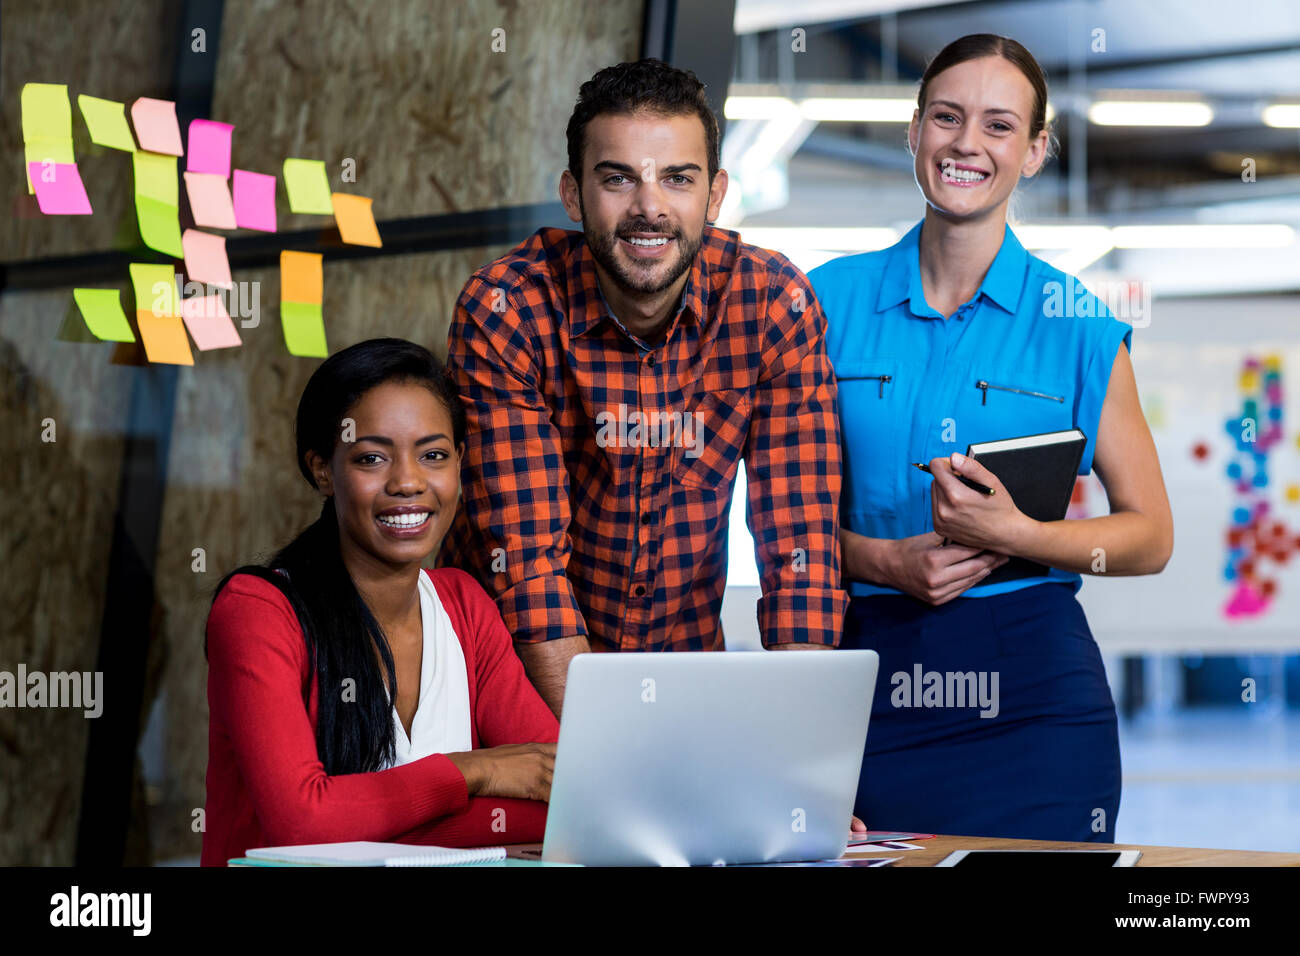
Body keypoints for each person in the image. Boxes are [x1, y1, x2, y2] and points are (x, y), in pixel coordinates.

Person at [809, 34, 1174, 842]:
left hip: (1035, 693)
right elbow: (771, 513)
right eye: (947, 117)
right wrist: (881, 560)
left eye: (999, 125)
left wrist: (1022, 534)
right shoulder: (823, 302)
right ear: (914, 132)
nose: (967, 143)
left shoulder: (1078, 324)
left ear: (1036, 151)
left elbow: (1150, 536)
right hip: (863, 675)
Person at [437, 59, 850, 715]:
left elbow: (799, 551)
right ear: (573, 196)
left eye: (677, 179)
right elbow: (527, 570)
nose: (650, 206)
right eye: (618, 178)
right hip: (508, 688)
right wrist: (605, 759)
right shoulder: (507, 309)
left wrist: (802, 769)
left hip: (681, 678)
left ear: (714, 195)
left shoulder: (773, 302)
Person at [202, 338, 558, 866]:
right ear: (323, 470)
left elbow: (560, 795)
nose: (408, 482)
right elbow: (301, 826)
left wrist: (356, 818)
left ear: (460, 463)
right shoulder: (259, 611)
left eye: (433, 455)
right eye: (372, 458)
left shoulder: (464, 607)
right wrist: (473, 770)